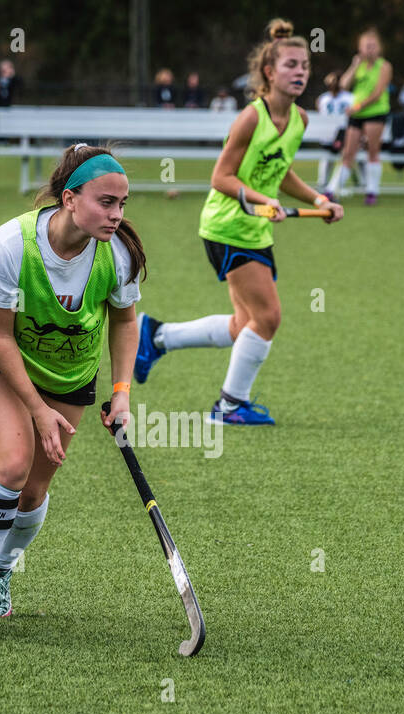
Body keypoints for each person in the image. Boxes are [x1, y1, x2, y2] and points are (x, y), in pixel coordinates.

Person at [0, 144, 145, 629]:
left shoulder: (120, 254)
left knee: (32, 491)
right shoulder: (9, 245)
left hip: (70, 374)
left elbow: (125, 322)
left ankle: (0, 574)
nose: (116, 214)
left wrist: (123, 391)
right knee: (11, 463)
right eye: (105, 202)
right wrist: (36, 409)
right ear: (70, 199)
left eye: (122, 203)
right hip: (4, 364)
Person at [132, 19, 344, 427]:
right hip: (227, 225)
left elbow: (280, 171)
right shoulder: (251, 117)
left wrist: (320, 199)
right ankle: (230, 405)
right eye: (291, 65)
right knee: (269, 319)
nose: (300, 72)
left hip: (255, 229)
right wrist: (263, 200)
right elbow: (221, 178)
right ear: (269, 72)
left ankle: (155, 336)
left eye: (305, 66)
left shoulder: (299, 120)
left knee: (244, 324)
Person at [325, 28, 391, 204]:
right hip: (357, 114)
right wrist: (354, 65)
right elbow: (344, 85)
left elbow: (378, 92)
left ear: (379, 48)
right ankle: (332, 190)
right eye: (366, 46)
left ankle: (371, 192)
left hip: (376, 113)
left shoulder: (384, 66)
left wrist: (358, 106)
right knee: (348, 153)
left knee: (372, 151)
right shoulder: (359, 65)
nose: (369, 49)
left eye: (373, 46)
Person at [315, 70, 353, 190]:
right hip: (335, 136)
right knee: (347, 155)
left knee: (349, 154)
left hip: (339, 136)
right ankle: (329, 184)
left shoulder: (323, 98)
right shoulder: (350, 97)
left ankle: (326, 182)